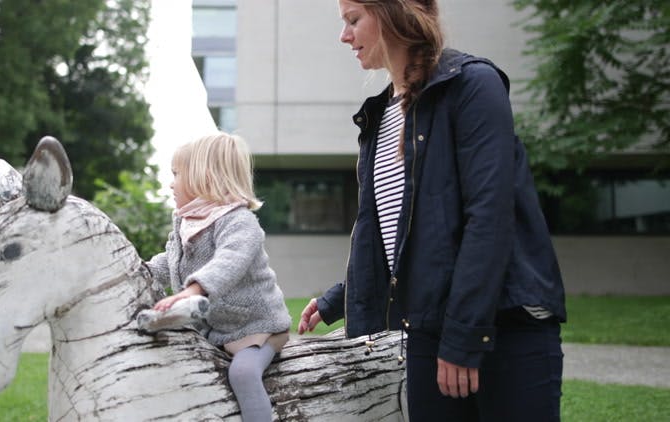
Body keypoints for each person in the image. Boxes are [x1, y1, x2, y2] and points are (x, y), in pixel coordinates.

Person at [297, 1, 567, 421]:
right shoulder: (379, 117)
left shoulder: (472, 85)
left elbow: (490, 220)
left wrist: (463, 338)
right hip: (427, 328)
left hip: (504, 325)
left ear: (392, 14)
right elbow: (400, 237)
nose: (344, 36)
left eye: (353, 20)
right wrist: (339, 299)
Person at [146, 132, 291, 422]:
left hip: (256, 327)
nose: (171, 183)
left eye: (177, 174)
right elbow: (169, 260)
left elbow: (230, 261)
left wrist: (194, 290)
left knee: (243, 373)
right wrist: (140, 271)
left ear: (204, 177)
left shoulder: (239, 222)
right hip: (218, 329)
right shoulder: (186, 221)